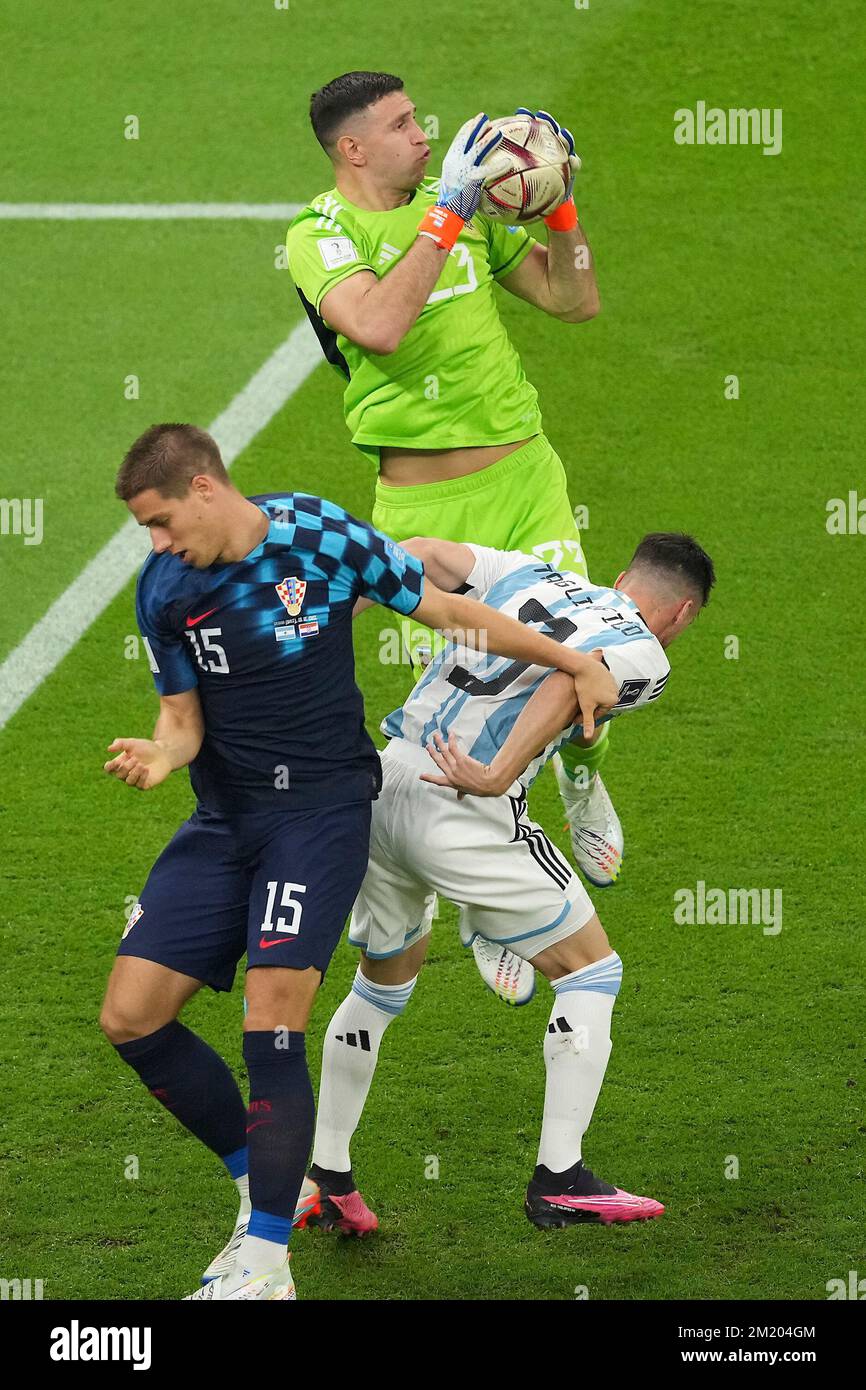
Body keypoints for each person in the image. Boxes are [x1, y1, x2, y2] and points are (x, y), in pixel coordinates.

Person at [99, 422, 620, 1299]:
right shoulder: (163, 590)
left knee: (271, 1023)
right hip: (225, 818)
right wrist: (161, 756)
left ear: (202, 488)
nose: (155, 543)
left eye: (158, 521)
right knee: (132, 1017)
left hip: (320, 814)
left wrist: (574, 660)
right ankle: (270, 1186)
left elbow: (452, 612)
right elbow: (181, 721)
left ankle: (265, 1265)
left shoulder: (318, 535)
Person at [303, 532, 715, 1234]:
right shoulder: (648, 654)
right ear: (680, 615)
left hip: (382, 779)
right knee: (591, 972)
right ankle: (560, 1176)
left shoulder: (529, 571)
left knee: (379, 988)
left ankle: (327, 1175)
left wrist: (339, 613)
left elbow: (421, 550)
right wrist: (497, 774)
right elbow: (568, 677)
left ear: (620, 574)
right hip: (465, 805)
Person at [285, 72, 623, 903]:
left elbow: (571, 301)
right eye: (403, 125)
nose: (426, 135)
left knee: (583, 661)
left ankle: (582, 777)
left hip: (524, 479)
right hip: (421, 509)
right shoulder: (319, 234)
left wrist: (562, 213)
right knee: (458, 704)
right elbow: (379, 328)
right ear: (352, 148)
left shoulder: (460, 204)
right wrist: (449, 216)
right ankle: (487, 893)